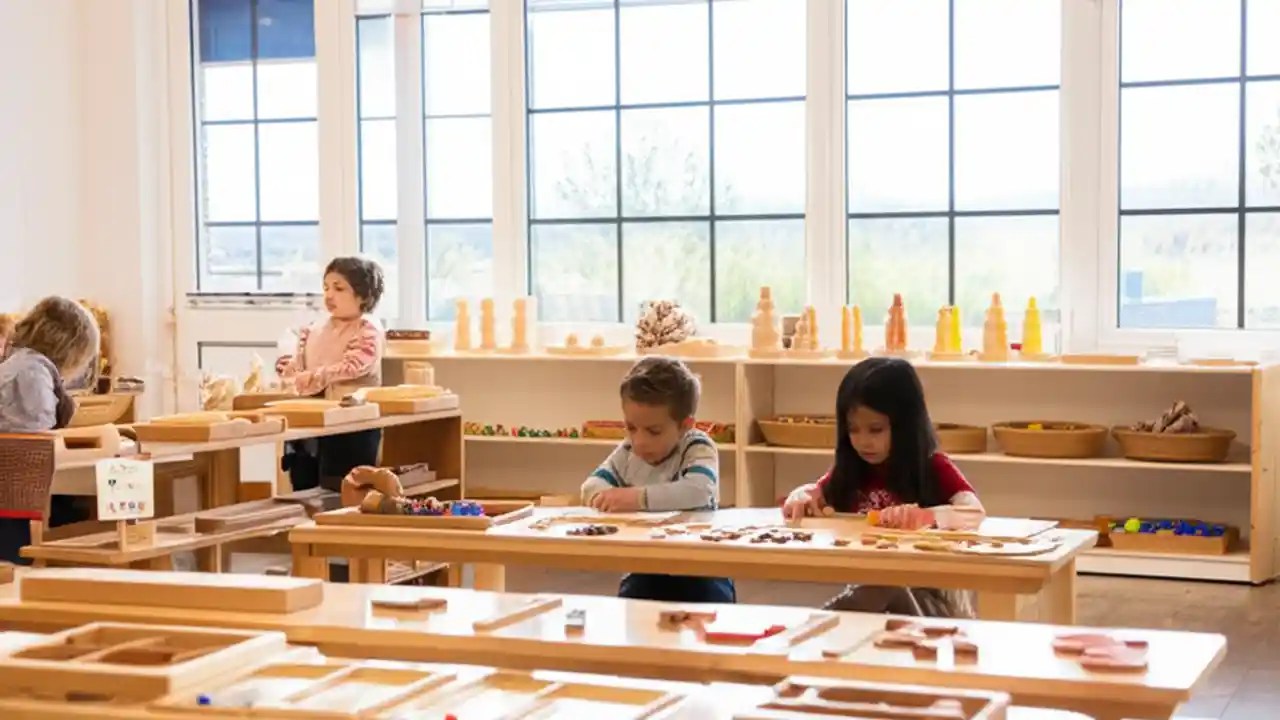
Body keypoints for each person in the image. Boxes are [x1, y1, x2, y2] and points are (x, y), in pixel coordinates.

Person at [782, 357, 984, 617]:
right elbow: (814, 493)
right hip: (875, 605)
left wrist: (929, 516)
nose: (863, 442)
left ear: (904, 425)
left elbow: (975, 512)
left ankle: (817, 624)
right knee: (879, 582)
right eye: (853, 430)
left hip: (933, 604)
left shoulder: (932, 466)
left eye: (875, 429)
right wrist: (801, 495)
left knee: (886, 582)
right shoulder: (853, 469)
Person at [581, 356, 735, 603]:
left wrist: (636, 498)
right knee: (634, 613)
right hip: (645, 565)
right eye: (631, 428)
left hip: (702, 567)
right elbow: (591, 485)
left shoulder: (696, 446)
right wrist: (604, 497)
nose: (640, 441)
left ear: (685, 425)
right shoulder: (628, 452)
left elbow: (698, 490)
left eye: (654, 431)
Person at [0, 297, 100, 563]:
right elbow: (34, 446)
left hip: (13, 491)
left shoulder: (20, 364)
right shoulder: (31, 372)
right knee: (84, 509)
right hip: (15, 500)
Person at [277, 257, 386, 493]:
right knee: (304, 482)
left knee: (342, 486)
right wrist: (290, 368)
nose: (329, 295)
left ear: (363, 295)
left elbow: (355, 365)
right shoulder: (313, 329)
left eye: (339, 288)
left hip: (351, 423)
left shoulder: (367, 328)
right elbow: (300, 362)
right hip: (312, 419)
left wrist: (315, 376)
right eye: (326, 288)